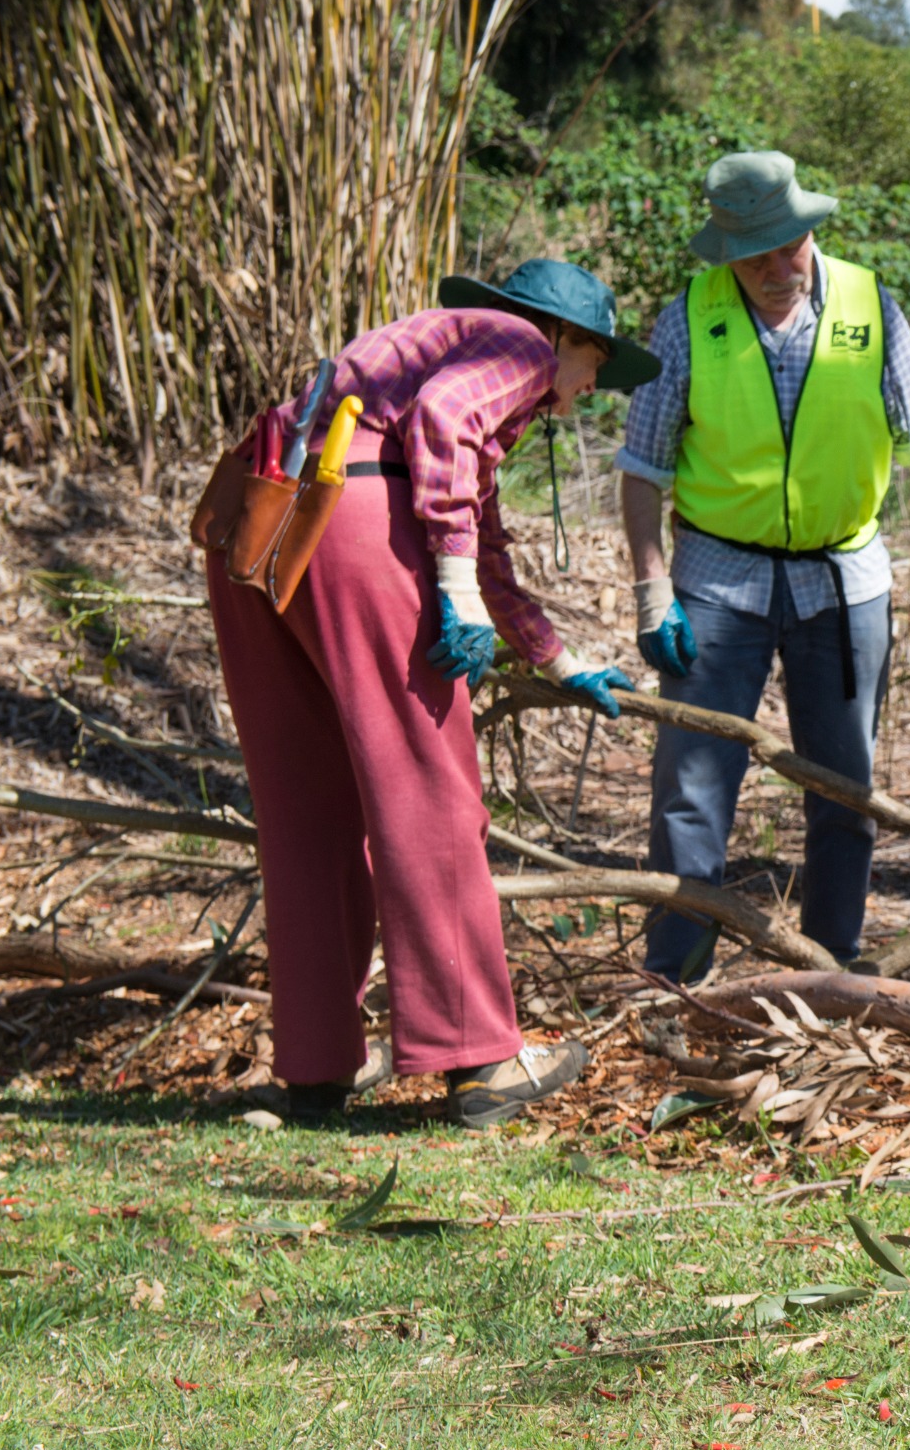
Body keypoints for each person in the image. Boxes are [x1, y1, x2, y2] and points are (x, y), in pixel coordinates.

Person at [207, 259, 658, 1129]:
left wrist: (557, 660)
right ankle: (480, 1059)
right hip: (356, 528)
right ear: (571, 340)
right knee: (429, 794)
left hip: (261, 532)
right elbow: (448, 431)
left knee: (309, 812)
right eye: (596, 371)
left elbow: (478, 537)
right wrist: (451, 589)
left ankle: (314, 1072)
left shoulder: (426, 353)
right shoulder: (521, 345)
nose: (585, 393)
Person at [616, 151, 910, 979]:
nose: (780, 270)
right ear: (724, 253)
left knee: (844, 787)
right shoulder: (687, 317)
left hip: (842, 582)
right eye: (757, 254)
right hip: (716, 581)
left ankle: (830, 968)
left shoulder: (871, 304)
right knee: (693, 788)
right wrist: (650, 588)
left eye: (791, 246)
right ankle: (678, 976)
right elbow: (643, 467)